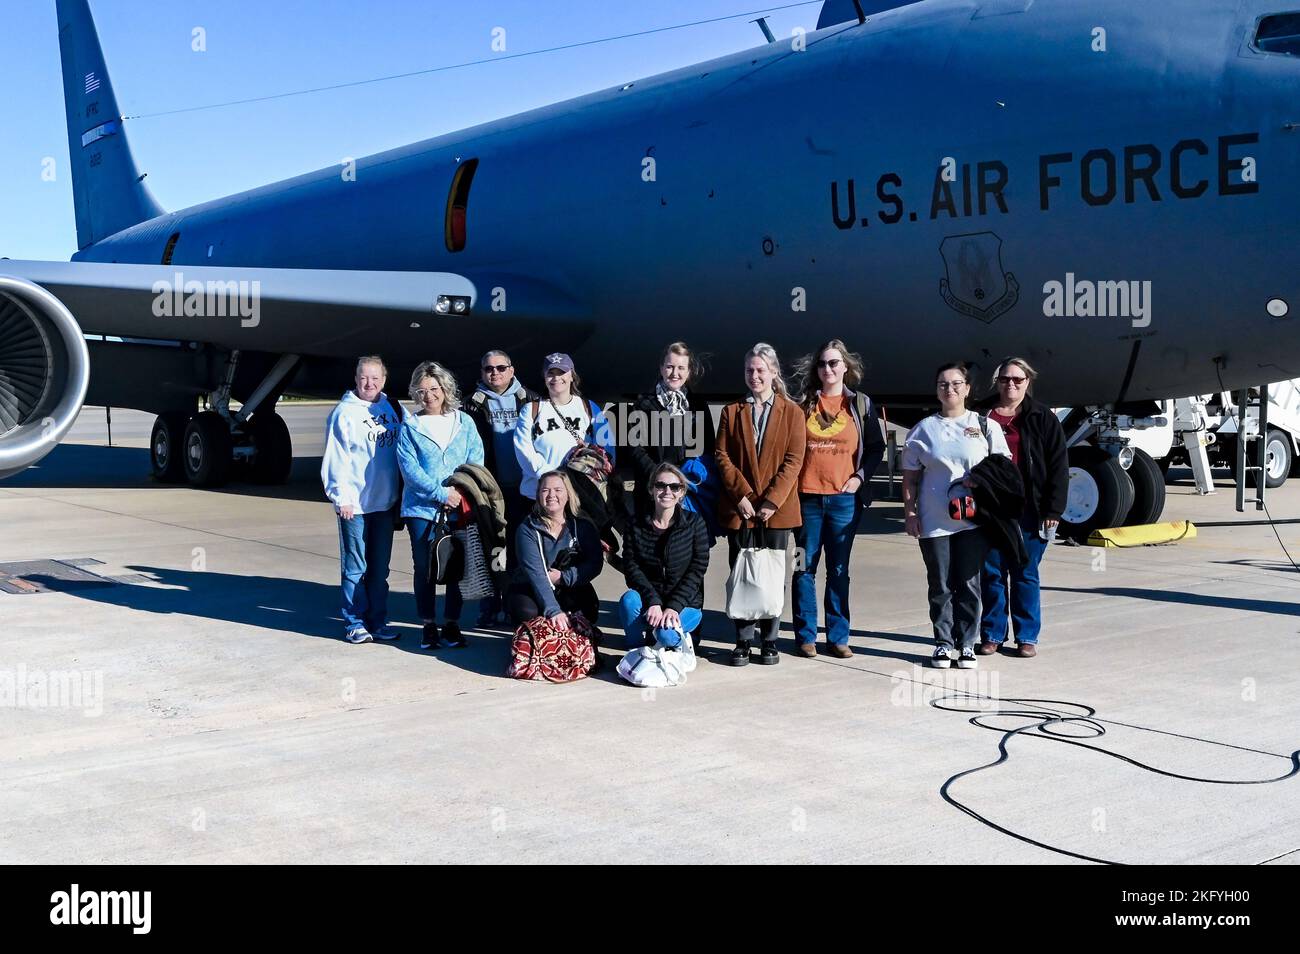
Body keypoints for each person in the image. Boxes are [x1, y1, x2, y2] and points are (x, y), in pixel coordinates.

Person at [902, 362, 1011, 670]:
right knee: (939, 583)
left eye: (955, 383)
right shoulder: (923, 430)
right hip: (934, 518)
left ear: (967, 388)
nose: (949, 389)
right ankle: (943, 643)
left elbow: (1003, 468)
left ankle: (966, 643)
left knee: (969, 582)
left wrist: (981, 480)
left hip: (974, 519)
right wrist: (910, 513)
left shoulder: (985, 426)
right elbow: (910, 479)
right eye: (942, 384)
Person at [790, 339, 886, 659]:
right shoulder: (803, 404)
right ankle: (805, 636)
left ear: (846, 366)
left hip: (844, 501)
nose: (828, 369)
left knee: (839, 569)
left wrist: (859, 478)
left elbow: (875, 448)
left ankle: (838, 636)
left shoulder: (860, 404)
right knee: (803, 567)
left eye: (834, 363)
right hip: (806, 500)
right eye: (822, 364)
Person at [715, 342, 807, 666]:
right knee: (741, 573)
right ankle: (742, 640)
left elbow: (794, 459)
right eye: (749, 370)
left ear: (773, 373)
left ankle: (769, 640)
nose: (755, 376)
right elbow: (722, 456)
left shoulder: (792, 412)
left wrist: (772, 500)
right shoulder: (730, 412)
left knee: (772, 574)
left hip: (775, 510)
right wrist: (740, 495)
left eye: (760, 370)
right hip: (742, 510)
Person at [974, 357, 1069, 658]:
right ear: (997, 382)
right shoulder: (980, 414)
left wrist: (1054, 510)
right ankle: (992, 634)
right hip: (990, 507)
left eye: (1017, 379)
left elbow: (1058, 465)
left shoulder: (1041, 417)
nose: (1011, 384)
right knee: (992, 573)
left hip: (1030, 508)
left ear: (1028, 382)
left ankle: (1027, 637)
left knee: (1025, 573)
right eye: (1005, 379)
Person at [396, 360, 484, 650]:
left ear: (445, 389)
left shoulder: (464, 422)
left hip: (459, 505)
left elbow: (476, 460)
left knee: (455, 565)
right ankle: (428, 624)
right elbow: (410, 471)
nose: (428, 396)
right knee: (425, 567)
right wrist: (440, 493)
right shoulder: (410, 426)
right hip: (421, 509)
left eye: (434, 389)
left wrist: (460, 491)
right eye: (421, 391)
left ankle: (452, 624)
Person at [321, 356, 405, 643]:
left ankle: (377, 621)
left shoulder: (393, 407)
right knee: (356, 567)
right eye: (363, 378)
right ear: (355, 379)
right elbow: (335, 458)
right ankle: (354, 621)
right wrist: (340, 497)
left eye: (375, 378)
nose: (369, 383)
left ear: (384, 380)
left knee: (380, 569)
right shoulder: (344, 412)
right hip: (354, 505)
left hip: (385, 503)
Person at [464, 349, 538, 624]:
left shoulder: (531, 400)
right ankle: (490, 601)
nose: (494, 373)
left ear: (512, 370)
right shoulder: (472, 404)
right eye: (488, 369)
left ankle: (516, 600)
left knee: (522, 548)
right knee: (493, 549)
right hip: (491, 489)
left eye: (500, 367)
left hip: (524, 490)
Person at [618, 462, 711, 650]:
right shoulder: (635, 524)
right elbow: (631, 566)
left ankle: (680, 637)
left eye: (674, 487)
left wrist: (674, 606)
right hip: (652, 599)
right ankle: (636, 652)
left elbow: (697, 569)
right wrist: (653, 601)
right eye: (660, 485)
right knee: (629, 600)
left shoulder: (695, 523)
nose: (667, 491)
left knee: (665, 636)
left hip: (686, 603)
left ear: (682, 492)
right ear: (652, 490)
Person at [506, 471, 604, 634]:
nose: (551, 495)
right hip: (530, 586)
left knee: (589, 610)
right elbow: (536, 574)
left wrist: (564, 577)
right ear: (538, 496)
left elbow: (595, 563)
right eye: (545, 490)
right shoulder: (527, 529)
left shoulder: (582, 525)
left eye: (558, 490)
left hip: (567, 584)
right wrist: (553, 611)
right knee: (526, 612)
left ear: (568, 494)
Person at [512, 352, 616, 503]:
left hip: (580, 494)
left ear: (572, 376)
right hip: (540, 494)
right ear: (544, 377)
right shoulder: (532, 409)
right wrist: (553, 480)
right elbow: (523, 450)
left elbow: (608, 448)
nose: (556, 378)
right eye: (551, 373)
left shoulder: (589, 407)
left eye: (562, 372)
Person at [622, 342, 714, 512]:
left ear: (688, 371)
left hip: (688, 491)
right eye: (670, 367)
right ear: (661, 368)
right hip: (652, 490)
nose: (675, 373)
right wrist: (660, 477)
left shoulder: (697, 406)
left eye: (681, 368)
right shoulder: (644, 404)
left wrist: (682, 479)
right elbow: (634, 447)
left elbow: (707, 447)